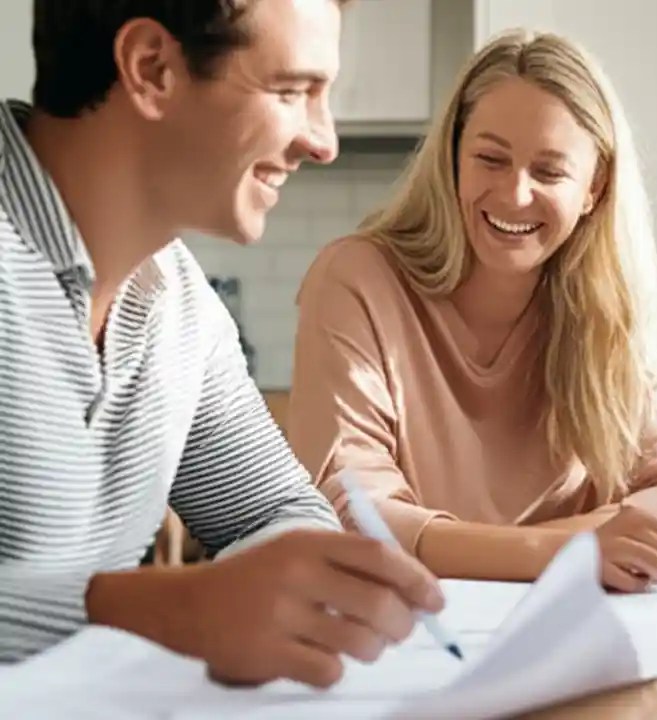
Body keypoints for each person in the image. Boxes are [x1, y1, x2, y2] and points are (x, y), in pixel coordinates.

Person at [0, 0, 444, 688]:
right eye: (293, 91)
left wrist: (306, 582)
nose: (323, 141)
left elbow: (281, 513)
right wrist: (158, 609)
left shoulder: (180, 303)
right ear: (153, 70)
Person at [288, 30, 657, 593]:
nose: (514, 194)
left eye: (549, 172)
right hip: (409, 626)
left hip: (568, 628)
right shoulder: (356, 280)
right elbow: (355, 517)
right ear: (453, 159)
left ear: (595, 187)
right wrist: (564, 550)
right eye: (490, 159)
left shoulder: (605, 310)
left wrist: (576, 545)